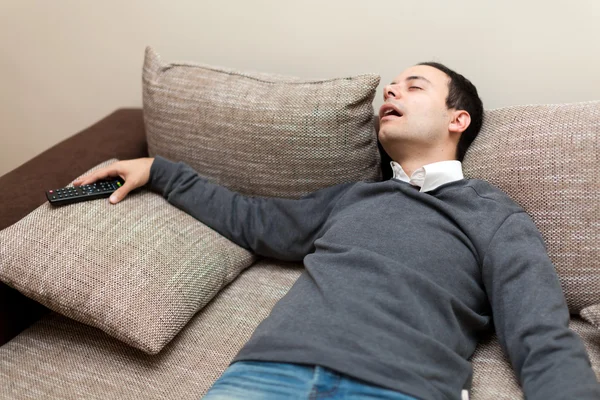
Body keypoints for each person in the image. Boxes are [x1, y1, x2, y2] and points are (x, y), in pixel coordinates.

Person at [73, 62, 600, 400]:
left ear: (457, 121)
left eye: (413, 86)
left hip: (403, 386)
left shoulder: (493, 214)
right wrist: (159, 170)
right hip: (267, 374)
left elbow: (538, 332)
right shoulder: (353, 197)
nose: (392, 89)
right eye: (391, 85)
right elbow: (250, 220)